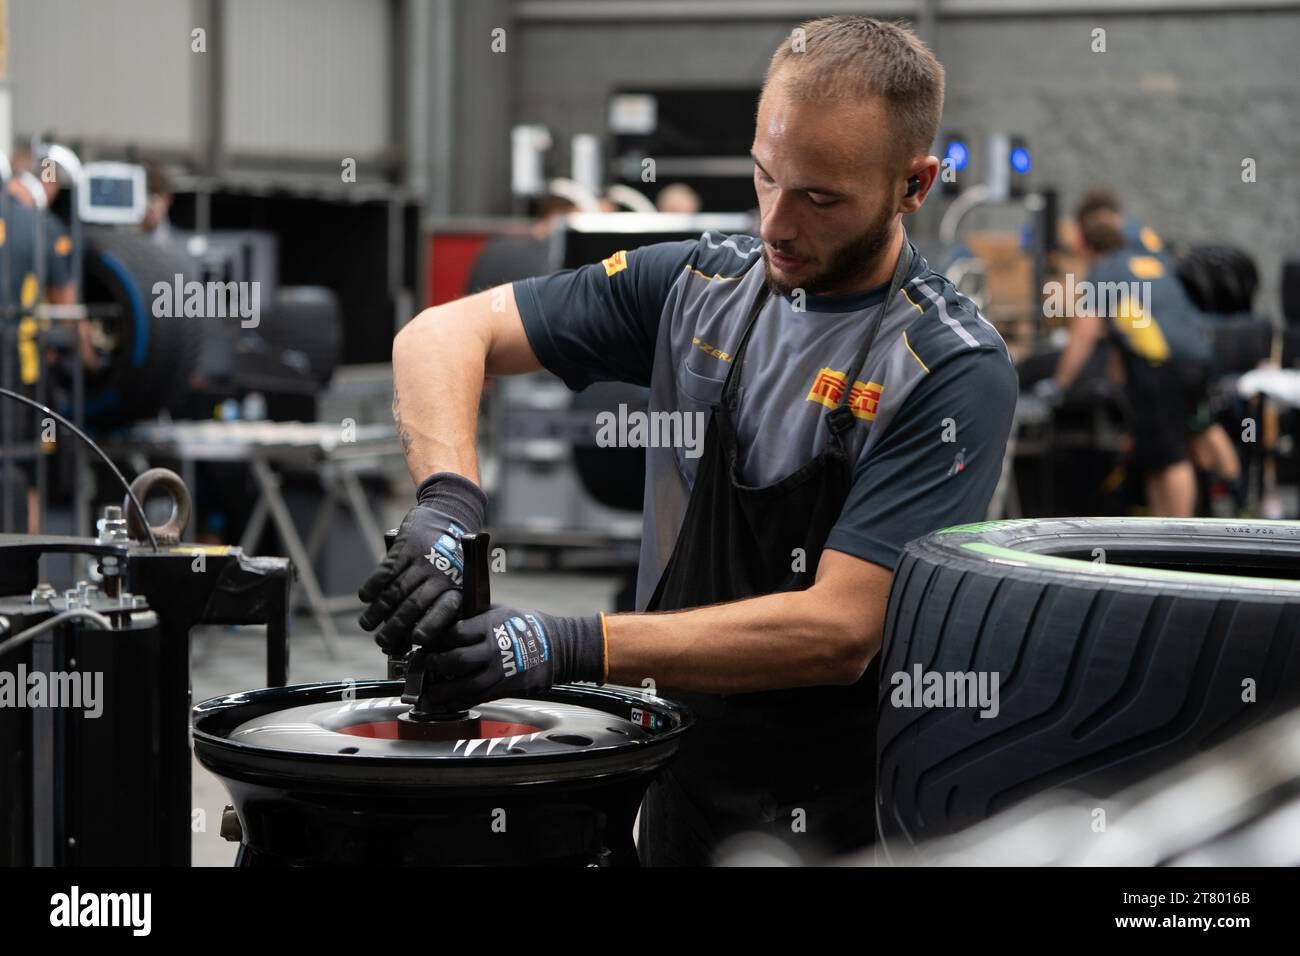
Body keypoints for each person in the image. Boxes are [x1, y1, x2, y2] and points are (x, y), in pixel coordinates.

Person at [361, 16, 1016, 865]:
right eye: (765, 177)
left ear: (914, 185)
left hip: (851, 817)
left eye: (820, 199)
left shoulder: (945, 368)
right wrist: (448, 504)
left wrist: (569, 644)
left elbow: (838, 629)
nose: (777, 223)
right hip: (677, 779)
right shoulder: (696, 291)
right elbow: (442, 335)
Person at [1045, 187, 1240, 516]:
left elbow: (1084, 334)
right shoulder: (1149, 252)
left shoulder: (1105, 272)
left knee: (1168, 459)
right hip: (1197, 356)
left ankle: (1176, 541)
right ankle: (1242, 507)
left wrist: (1058, 385)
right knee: (1201, 429)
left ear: (1085, 243)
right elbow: (1128, 337)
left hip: (1163, 368)